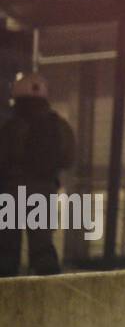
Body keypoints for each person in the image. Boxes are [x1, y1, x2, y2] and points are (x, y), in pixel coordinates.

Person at [0, 73, 77, 276]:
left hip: (12, 191)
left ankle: (7, 298)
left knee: (7, 249)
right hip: (44, 190)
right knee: (42, 248)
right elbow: (68, 158)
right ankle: (49, 294)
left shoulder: (10, 127)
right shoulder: (60, 125)